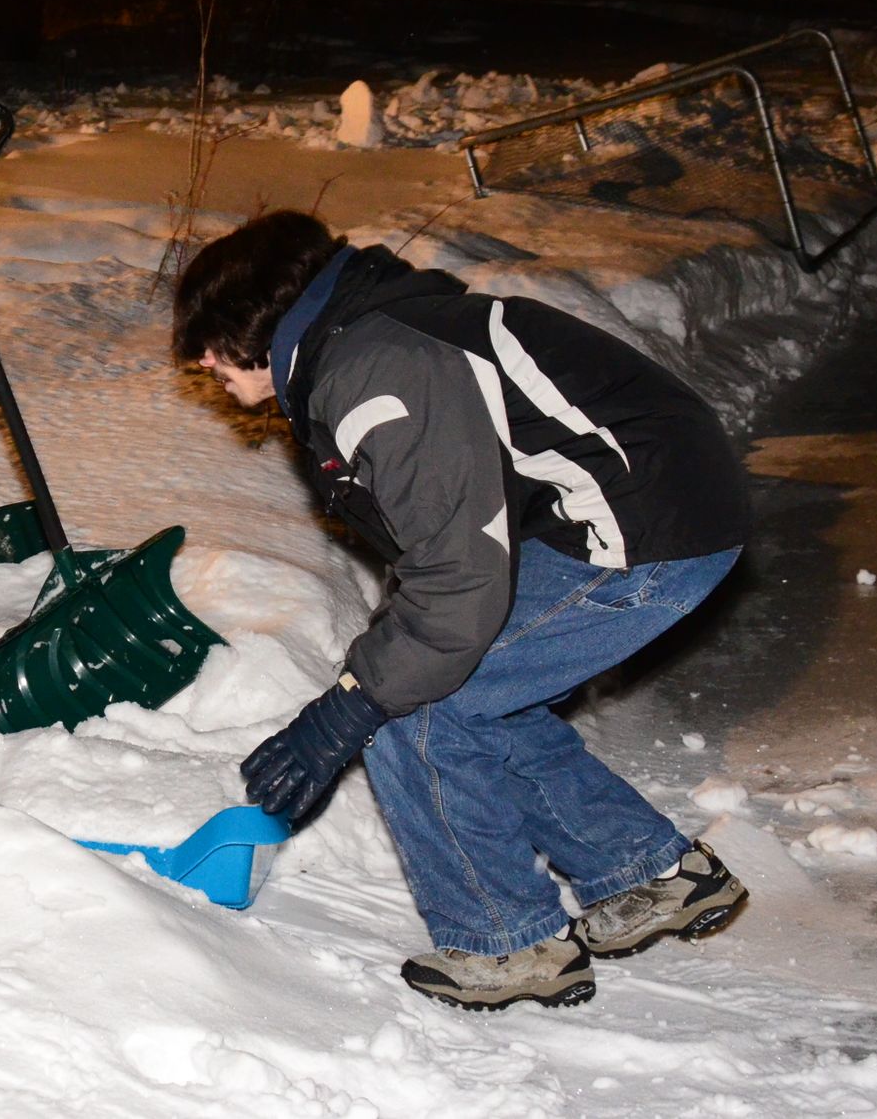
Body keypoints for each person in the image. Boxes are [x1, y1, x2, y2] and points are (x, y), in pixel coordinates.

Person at [173, 211, 752, 1011]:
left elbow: (456, 585)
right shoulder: (369, 341)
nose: (203, 362)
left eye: (208, 341)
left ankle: (506, 942)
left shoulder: (375, 369)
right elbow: (444, 545)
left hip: (640, 526)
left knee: (418, 707)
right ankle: (646, 873)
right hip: (647, 505)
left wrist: (351, 705)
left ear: (252, 320)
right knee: (466, 685)